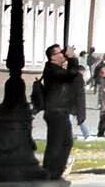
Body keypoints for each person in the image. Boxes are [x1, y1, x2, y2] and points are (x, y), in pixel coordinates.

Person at [34, 46, 86, 179]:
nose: (63, 54)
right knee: (56, 143)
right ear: (53, 57)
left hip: (61, 111)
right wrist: (72, 58)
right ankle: (50, 172)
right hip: (55, 111)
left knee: (66, 142)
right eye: (60, 52)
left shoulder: (56, 70)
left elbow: (72, 76)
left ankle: (55, 172)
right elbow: (71, 74)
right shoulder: (52, 69)